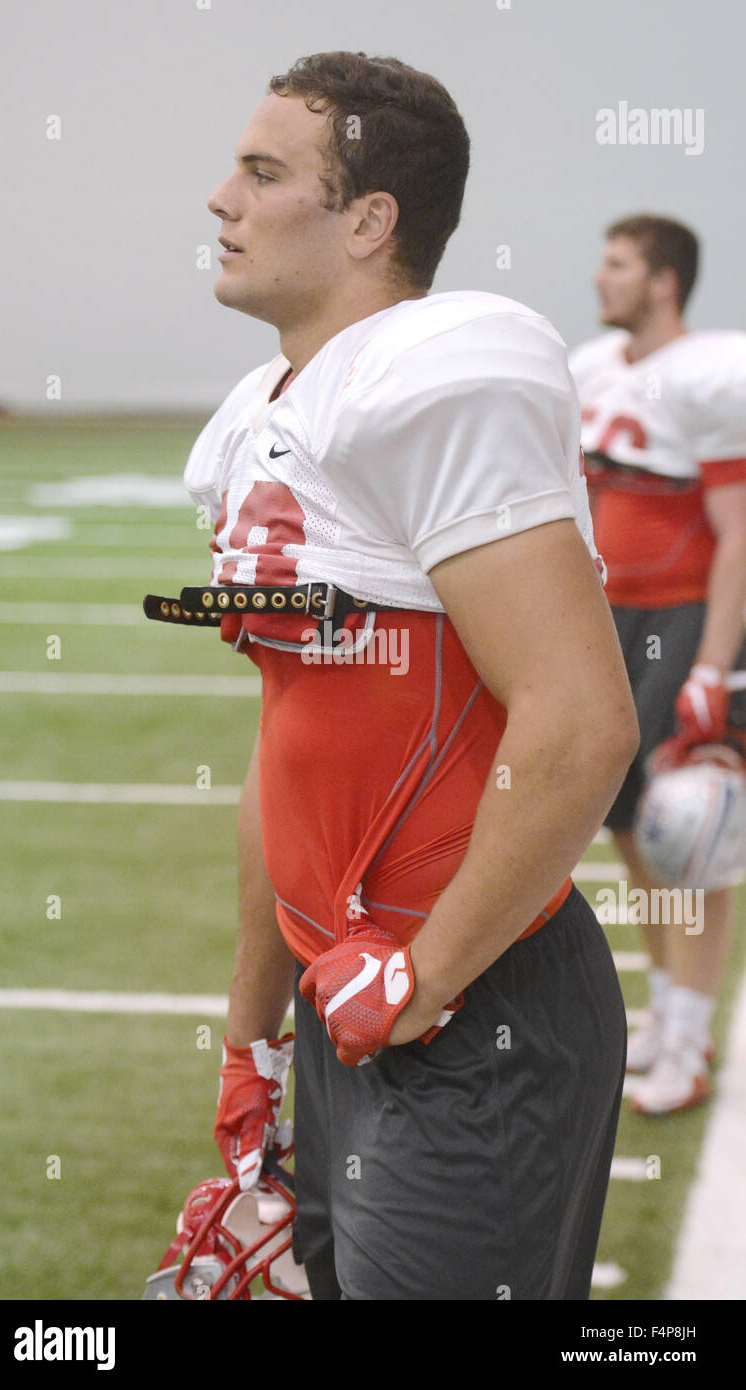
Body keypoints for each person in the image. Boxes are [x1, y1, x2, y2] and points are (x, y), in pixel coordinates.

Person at [186, 50, 638, 1299]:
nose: (218, 197)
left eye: (262, 172)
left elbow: (582, 720)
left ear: (368, 220)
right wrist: (250, 1033)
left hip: (467, 1001)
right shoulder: (264, 414)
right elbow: (287, 750)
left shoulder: (439, 374)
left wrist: (423, 976)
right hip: (349, 1003)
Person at [569, 215, 746, 1116]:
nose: (600, 279)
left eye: (619, 263)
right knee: (631, 823)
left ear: (664, 280)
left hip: (680, 618)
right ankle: (670, 1009)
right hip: (610, 616)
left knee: (694, 828)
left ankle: (690, 1032)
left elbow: (737, 532)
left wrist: (714, 665)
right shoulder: (594, 367)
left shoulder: (713, 376)